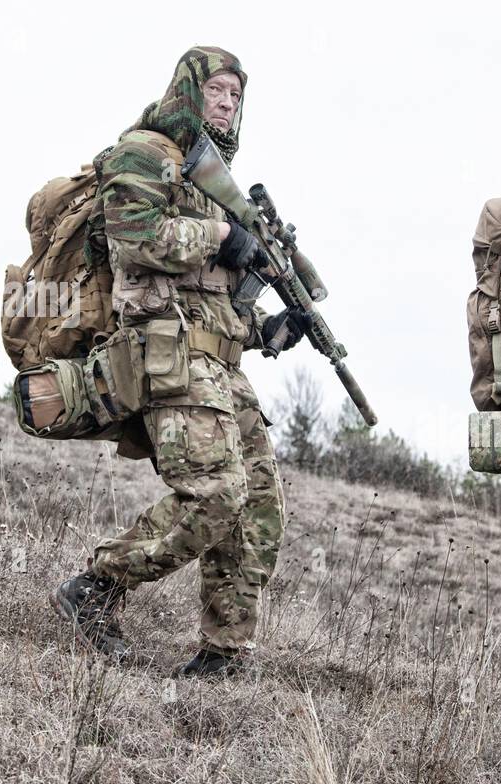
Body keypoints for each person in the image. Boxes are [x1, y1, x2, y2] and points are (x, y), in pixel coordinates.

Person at [49, 46, 310, 677]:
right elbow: (136, 239)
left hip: (220, 363)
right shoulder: (145, 152)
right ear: (189, 92)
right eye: (217, 90)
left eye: (236, 96)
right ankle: (97, 588)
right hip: (166, 354)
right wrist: (223, 237)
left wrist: (266, 330)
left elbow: (210, 301)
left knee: (259, 506)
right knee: (215, 492)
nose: (227, 103)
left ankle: (222, 652)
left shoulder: (215, 182)